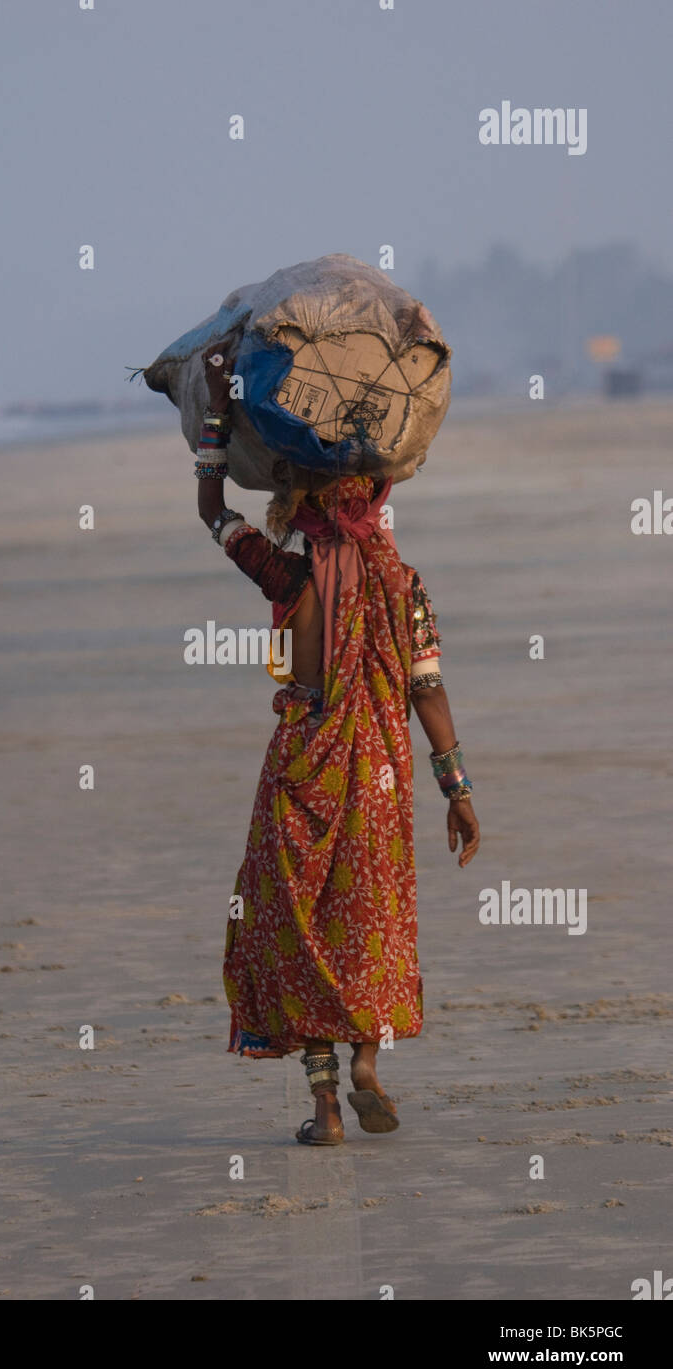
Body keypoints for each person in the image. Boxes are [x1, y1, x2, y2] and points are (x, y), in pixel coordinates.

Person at [196, 342, 480, 1146]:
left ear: (306, 498)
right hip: (382, 774)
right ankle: (367, 1067)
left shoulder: (285, 570)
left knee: (294, 926)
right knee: (369, 919)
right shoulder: (403, 584)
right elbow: (427, 687)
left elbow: (214, 512)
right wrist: (456, 788)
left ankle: (324, 1108)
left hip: (301, 767)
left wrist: (217, 411)